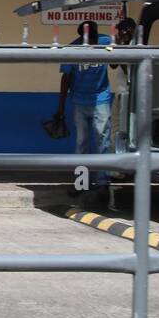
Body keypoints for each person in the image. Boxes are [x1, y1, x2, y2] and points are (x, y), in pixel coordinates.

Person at [56, 19, 113, 198]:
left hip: (101, 98)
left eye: (95, 36)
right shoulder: (72, 49)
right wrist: (61, 106)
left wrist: (118, 45)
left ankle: (103, 182)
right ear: (82, 37)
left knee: (103, 141)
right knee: (81, 143)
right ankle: (81, 182)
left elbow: (115, 64)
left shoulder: (105, 42)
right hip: (80, 101)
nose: (93, 40)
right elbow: (65, 79)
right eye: (89, 37)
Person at [109, 17, 138, 155]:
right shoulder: (123, 45)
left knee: (125, 129)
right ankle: (115, 165)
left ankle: (123, 163)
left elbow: (130, 73)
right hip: (119, 92)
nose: (119, 34)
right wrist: (118, 46)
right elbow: (113, 65)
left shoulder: (136, 46)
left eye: (121, 31)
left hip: (129, 94)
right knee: (115, 128)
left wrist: (121, 48)